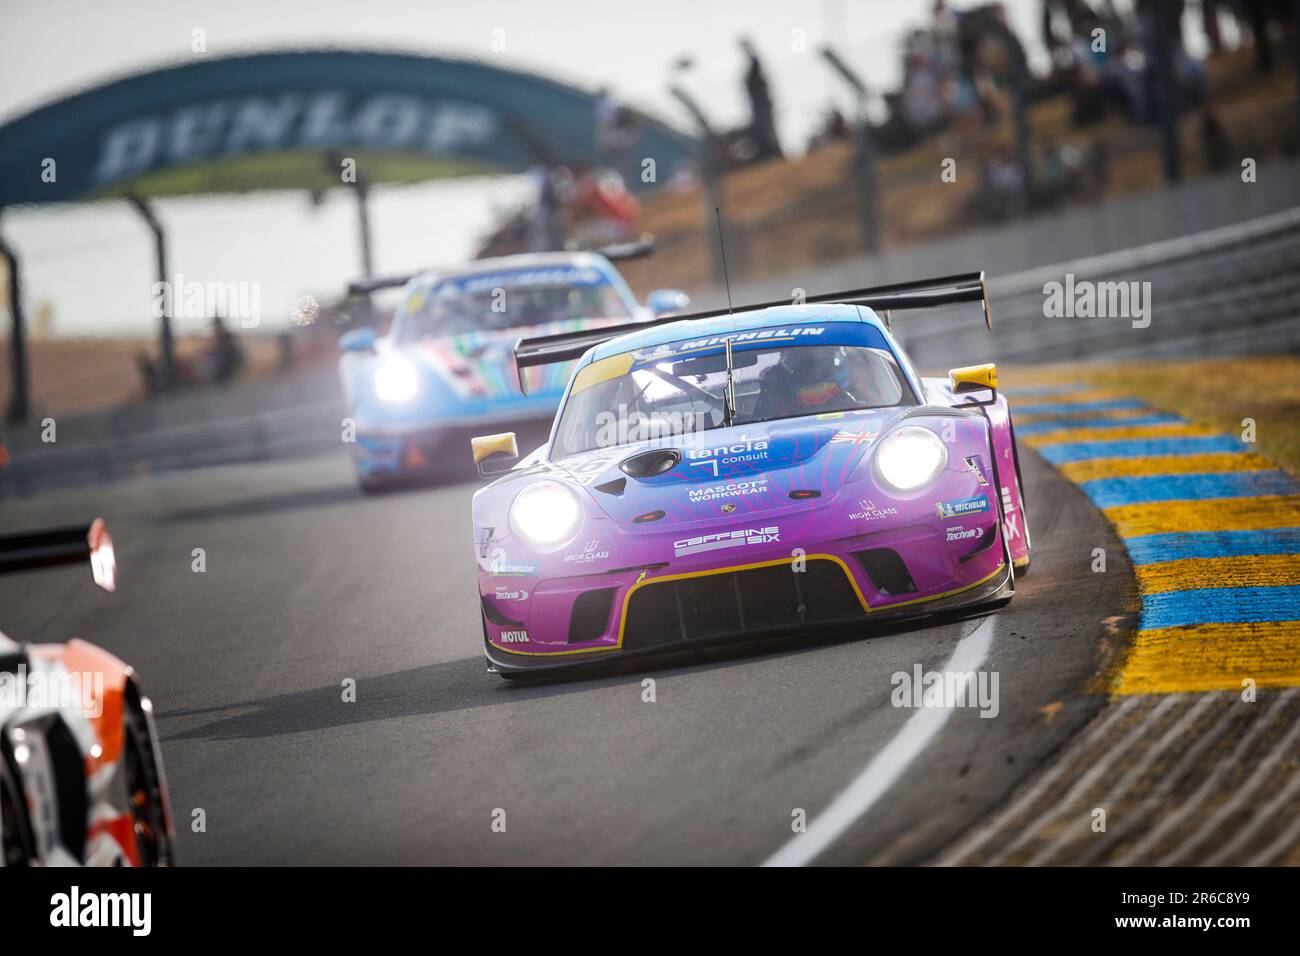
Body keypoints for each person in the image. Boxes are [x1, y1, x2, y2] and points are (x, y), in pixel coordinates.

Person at [740, 38, 782, 161]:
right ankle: (772, 154)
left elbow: (755, 61)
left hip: (762, 107)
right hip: (759, 108)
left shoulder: (755, 72)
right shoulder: (754, 74)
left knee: (766, 132)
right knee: (765, 131)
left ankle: (774, 154)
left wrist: (748, 48)